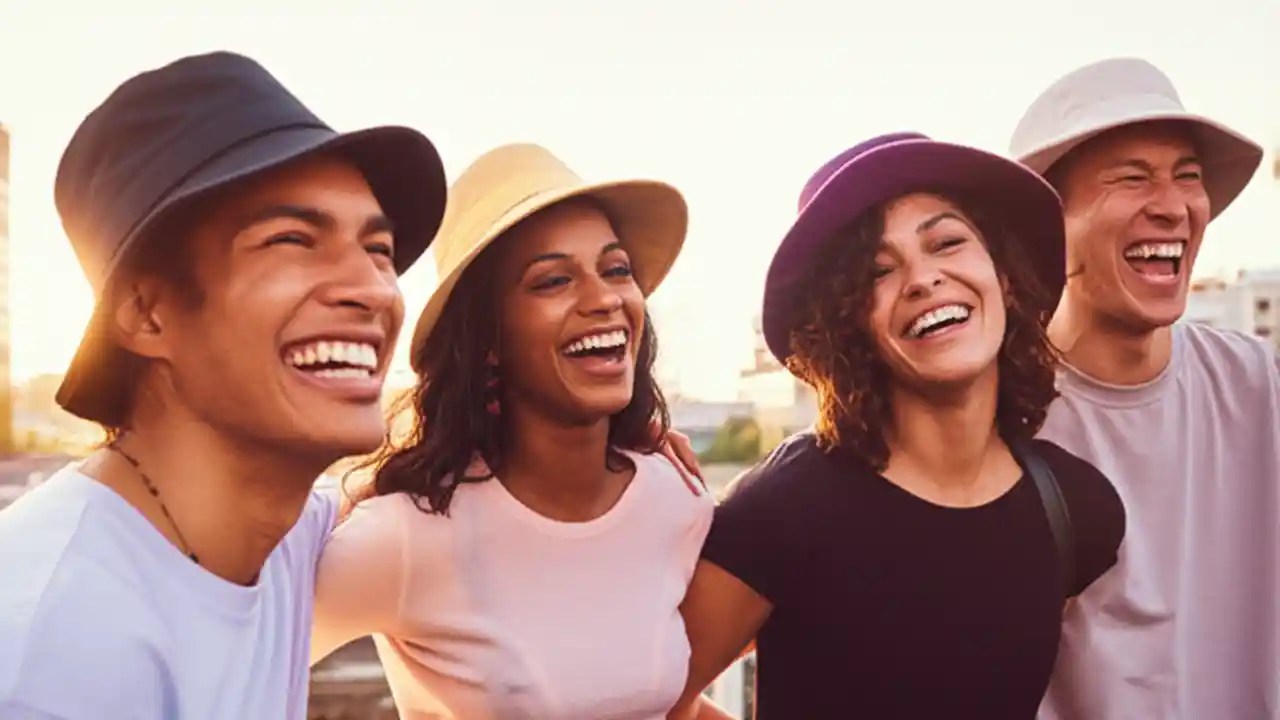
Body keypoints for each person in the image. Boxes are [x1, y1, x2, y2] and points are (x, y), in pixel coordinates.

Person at [0, 52, 449, 719]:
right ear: (146, 312)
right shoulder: (58, 649)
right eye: (292, 239)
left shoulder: (284, 534)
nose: (371, 290)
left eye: (377, 250)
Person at [669, 133, 1126, 719]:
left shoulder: (1076, 510)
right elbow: (658, 702)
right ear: (848, 323)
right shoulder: (787, 506)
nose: (922, 278)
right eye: (878, 271)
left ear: (1004, 277)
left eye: (948, 242)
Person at [311, 143, 729, 720]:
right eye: (553, 281)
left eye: (616, 270)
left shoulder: (674, 497)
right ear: (486, 343)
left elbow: (663, 705)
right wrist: (374, 481)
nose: (604, 299)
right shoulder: (411, 531)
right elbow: (234, 644)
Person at [1009, 58, 1277, 719]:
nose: (1172, 205)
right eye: (1131, 179)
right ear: (1048, 226)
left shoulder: (1255, 384)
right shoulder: (988, 413)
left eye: (1187, 177)